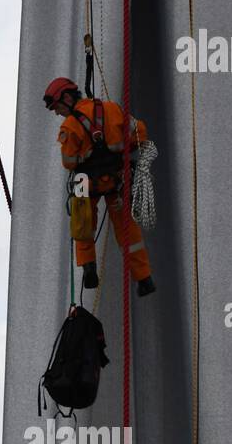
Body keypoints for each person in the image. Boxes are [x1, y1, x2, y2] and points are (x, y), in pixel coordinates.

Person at [43, 77, 155, 297]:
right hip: (116, 178)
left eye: (57, 107)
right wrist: (122, 148)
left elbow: (69, 163)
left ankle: (89, 269)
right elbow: (140, 133)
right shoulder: (111, 109)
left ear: (66, 98)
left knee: (82, 224)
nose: (57, 113)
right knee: (127, 230)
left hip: (86, 183)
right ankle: (144, 279)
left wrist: (87, 153)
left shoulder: (70, 127)